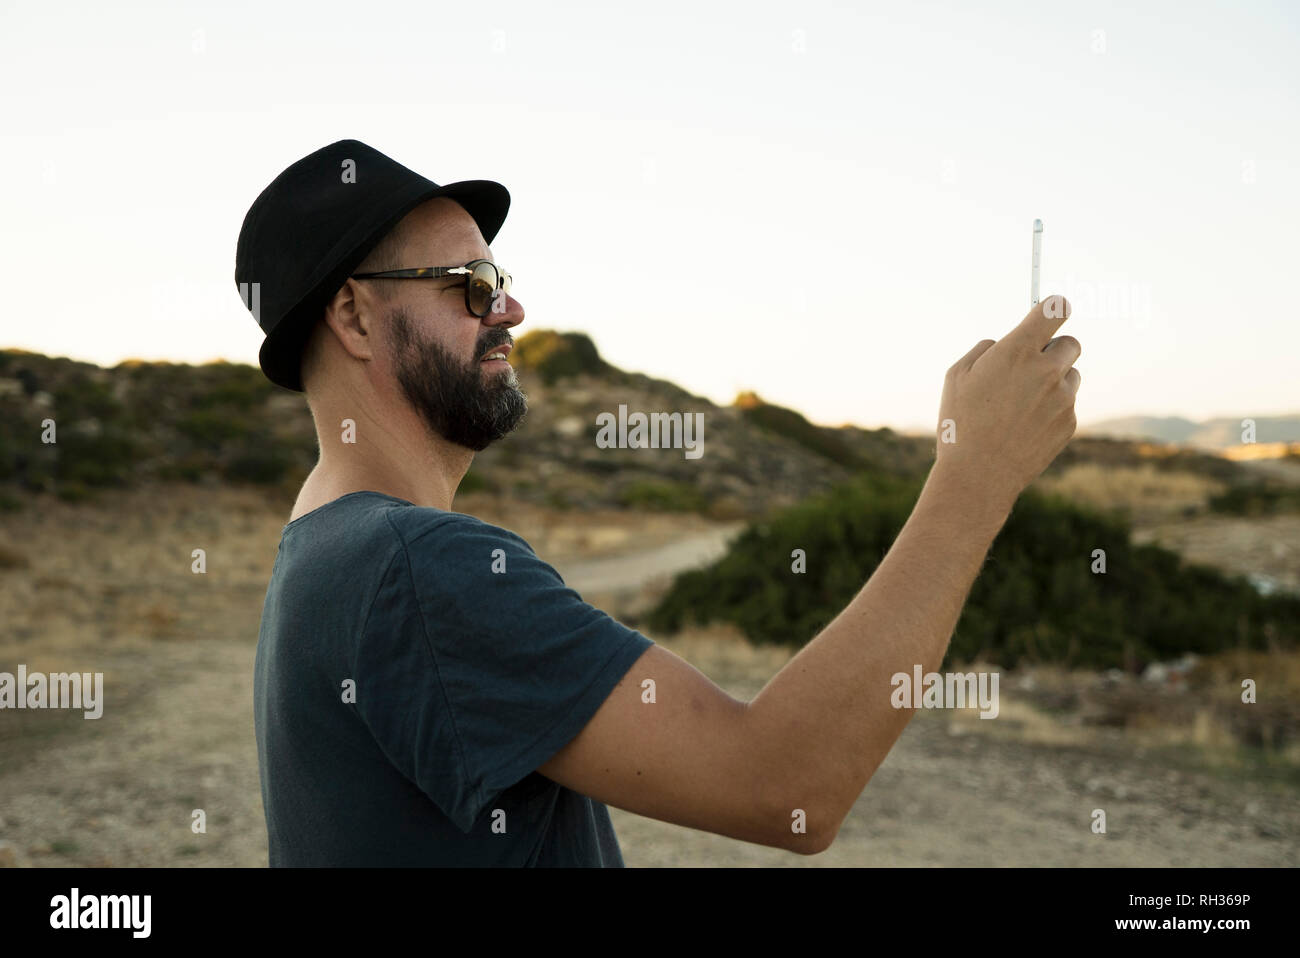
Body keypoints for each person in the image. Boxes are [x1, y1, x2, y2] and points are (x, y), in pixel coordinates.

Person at [236, 139, 1081, 866]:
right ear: (352, 316)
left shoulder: (320, 551)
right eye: (472, 282)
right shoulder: (415, 567)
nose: (511, 307)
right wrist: (976, 477)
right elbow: (787, 785)